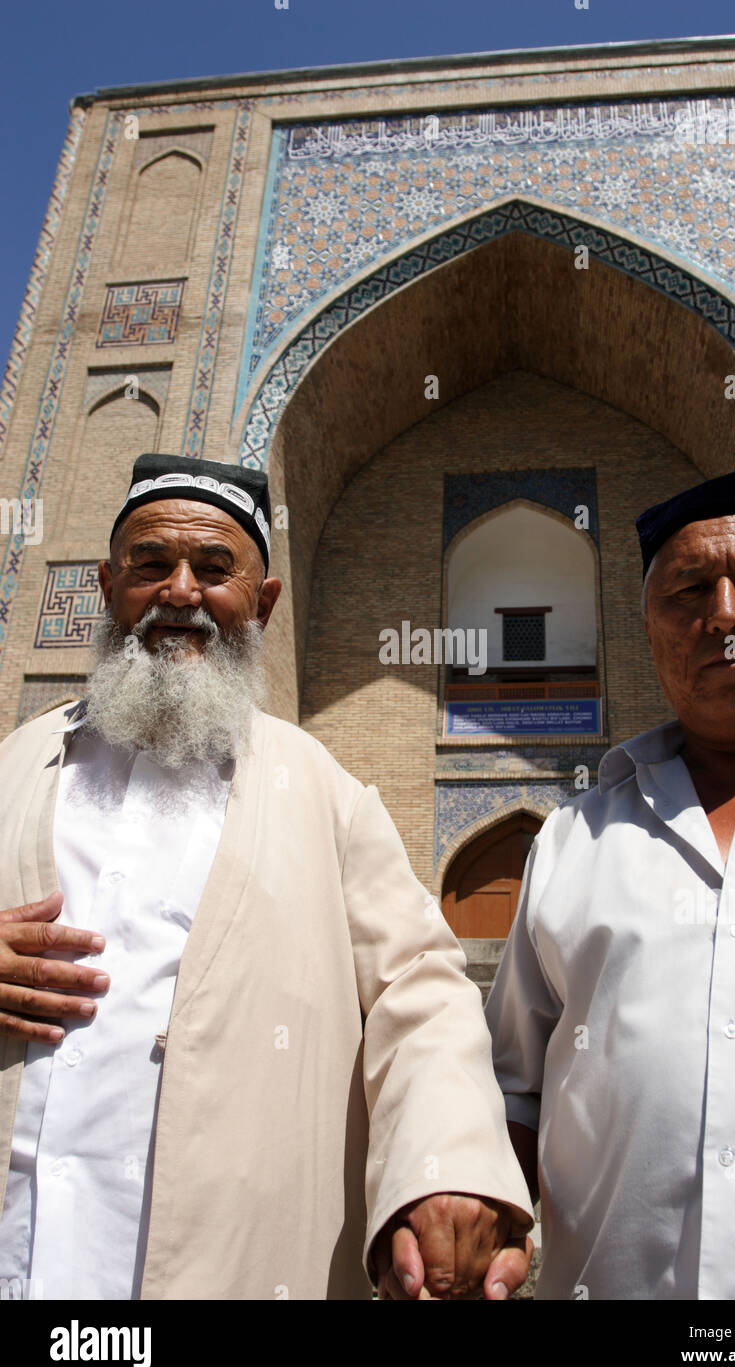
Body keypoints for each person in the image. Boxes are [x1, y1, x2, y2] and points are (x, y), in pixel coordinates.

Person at [0, 453, 533, 1301]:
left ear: (265, 601)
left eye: (215, 570)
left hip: (228, 1268)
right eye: (150, 565)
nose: (180, 591)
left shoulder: (322, 793)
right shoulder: (15, 766)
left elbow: (421, 990)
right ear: (107, 585)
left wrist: (446, 1164)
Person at [485, 463, 735, 1300]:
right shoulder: (573, 839)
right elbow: (515, 1086)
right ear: (648, 629)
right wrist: (481, 1208)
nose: (724, 615)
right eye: (688, 593)